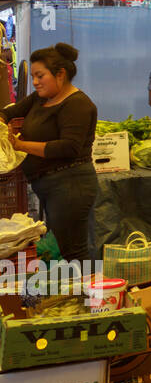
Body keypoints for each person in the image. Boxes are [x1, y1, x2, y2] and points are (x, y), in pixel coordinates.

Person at [2, 44, 98, 263]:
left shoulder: (78, 104)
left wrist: (21, 146)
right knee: (64, 249)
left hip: (71, 186)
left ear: (60, 74)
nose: (35, 82)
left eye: (40, 76)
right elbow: (10, 111)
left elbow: (67, 147)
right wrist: (2, 123)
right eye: (34, 76)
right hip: (50, 187)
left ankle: (91, 295)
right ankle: (77, 295)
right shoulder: (40, 98)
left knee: (75, 251)